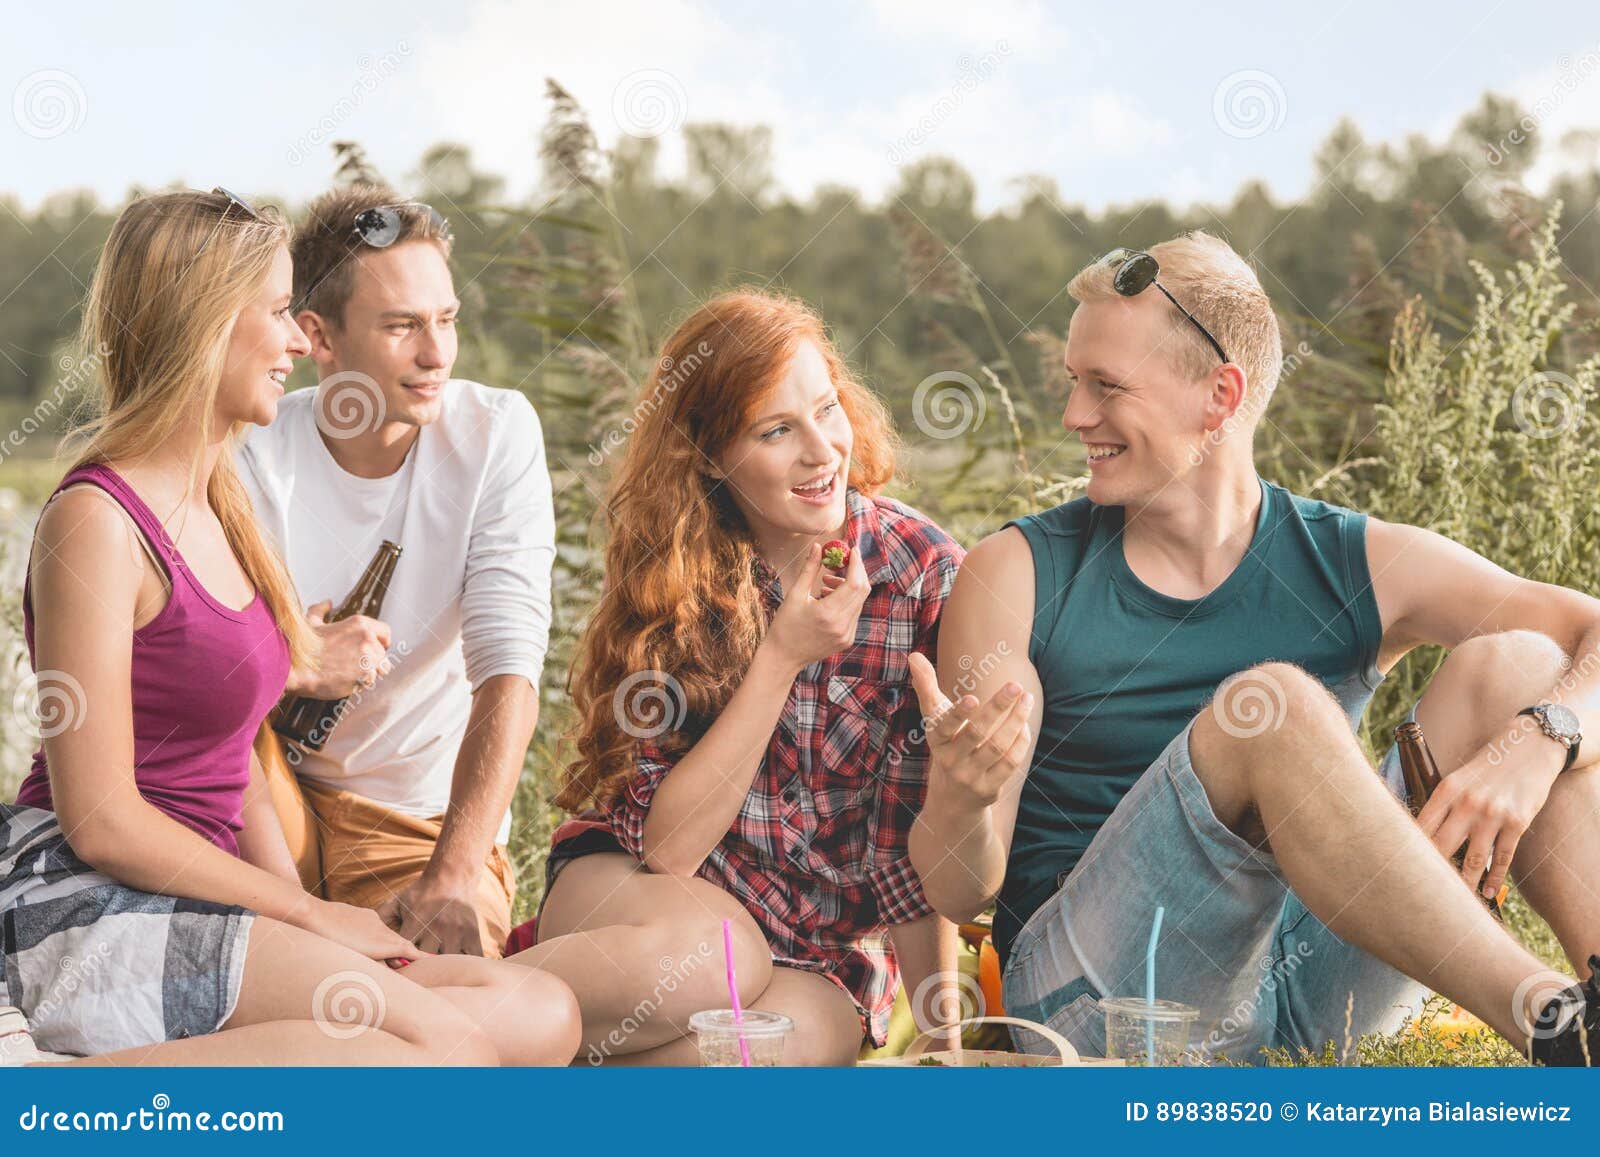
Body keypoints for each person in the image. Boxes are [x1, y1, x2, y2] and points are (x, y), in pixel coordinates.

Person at [908, 232, 1600, 1065]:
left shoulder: (1353, 558)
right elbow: (958, 888)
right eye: (1072, 382)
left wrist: (1545, 734)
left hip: (1313, 987)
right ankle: (1550, 1019)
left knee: (1522, 667)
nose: (1074, 415)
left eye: (1106, 386)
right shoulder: (1016, 574)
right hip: (1101, 1002)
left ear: (1219, 395)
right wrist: (963, 799)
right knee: (1268, 707)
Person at [0, 189, 578, 1067]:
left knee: (540, 1011)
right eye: (278, 314)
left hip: (203, 895)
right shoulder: (95, 520)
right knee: (444, 1056)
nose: (302, 344)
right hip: (91, 900)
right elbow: (103, 818)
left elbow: (228, 761)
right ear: (202, 327)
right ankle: (46, 1103)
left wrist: (306, 920)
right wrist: (307, 914)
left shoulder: (218, 499)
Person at [505, 289, 964, 1064]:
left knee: (739, 1065)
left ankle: (517, 1061)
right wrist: (783, 655)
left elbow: (907, 858)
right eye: (777, 430)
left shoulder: (918, 574)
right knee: (721, 960)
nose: (821, 451)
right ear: (714, 457)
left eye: (827, 409)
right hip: (643, 889)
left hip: (818, 949)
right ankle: (431, 1013)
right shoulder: (675, 579)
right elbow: (670, 847)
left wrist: (951, 1045)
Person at [239, 183, 555, 958]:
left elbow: (508, 671)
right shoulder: (252, 449)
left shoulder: (493, 435)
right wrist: (297, 662)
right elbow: (192, 669)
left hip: (412, 825)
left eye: (445, 320)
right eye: (402, 326)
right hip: (265, 800)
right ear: (320, 335)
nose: (436, 354)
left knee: (457, 1016)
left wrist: (452, 876)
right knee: (273, 991)